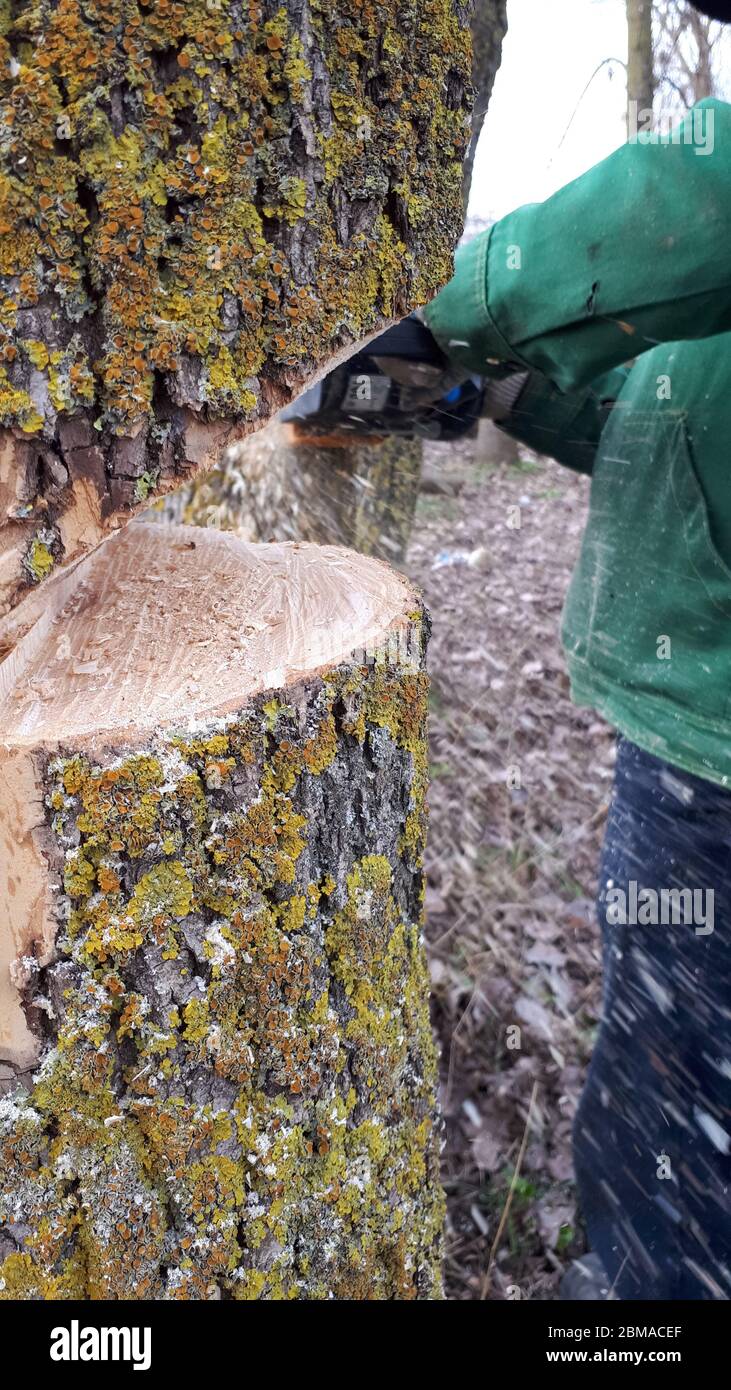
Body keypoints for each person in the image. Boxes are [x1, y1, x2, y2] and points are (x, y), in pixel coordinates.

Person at [416, 2, 731, 1300]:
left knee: (678, 1066)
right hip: (685, 737)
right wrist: (510, 387)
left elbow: (686, 203)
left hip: (710, 778)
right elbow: (659, 421)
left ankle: (651, 1291)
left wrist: (466, 310)